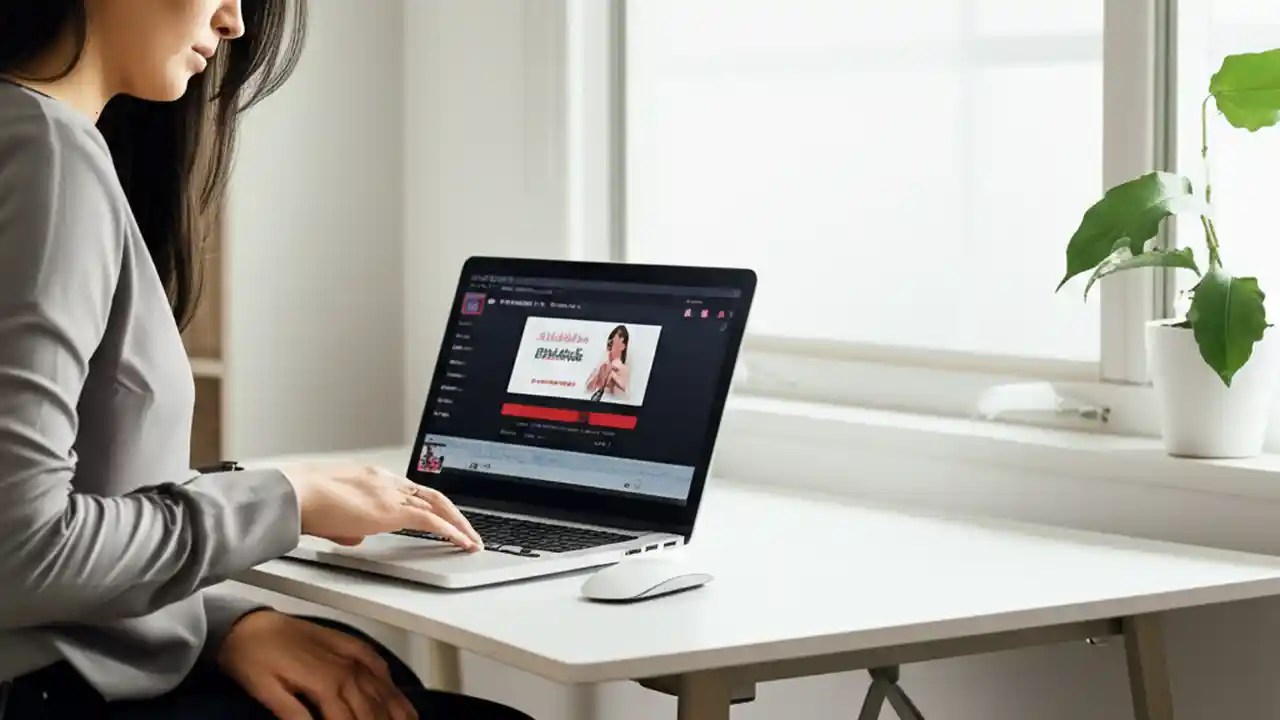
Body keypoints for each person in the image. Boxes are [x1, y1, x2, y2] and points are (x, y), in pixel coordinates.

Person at [0, 2, 532, 718]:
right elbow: (21, 549)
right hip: (40, 692)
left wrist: (221, 627)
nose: (234, 23)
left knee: (363, 663)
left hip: (59, 658)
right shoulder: (48, 155)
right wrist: (289, 498)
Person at [585, 325, 631, 402]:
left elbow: (623, 396)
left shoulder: (623, 368)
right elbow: (587, 389)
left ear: (623, 346)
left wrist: (612, 376)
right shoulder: (602, 366)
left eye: (613, 343)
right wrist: (599, 376)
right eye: (609, 343)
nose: (610, 346)